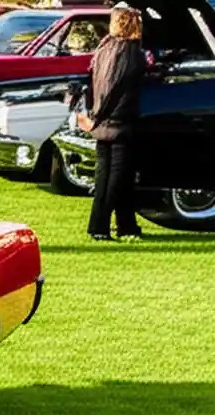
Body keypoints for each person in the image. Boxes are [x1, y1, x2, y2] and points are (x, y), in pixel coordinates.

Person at [80, 2, 146, 242]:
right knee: (115, 179)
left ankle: (126, 225)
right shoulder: (130, 53)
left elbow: (96, 81)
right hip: (118, 121)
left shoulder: (104, 47)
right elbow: (113, 87)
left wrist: (94, 114)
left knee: (113, 177)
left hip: (105, 121)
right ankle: (99, 227)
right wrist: (98, 115)